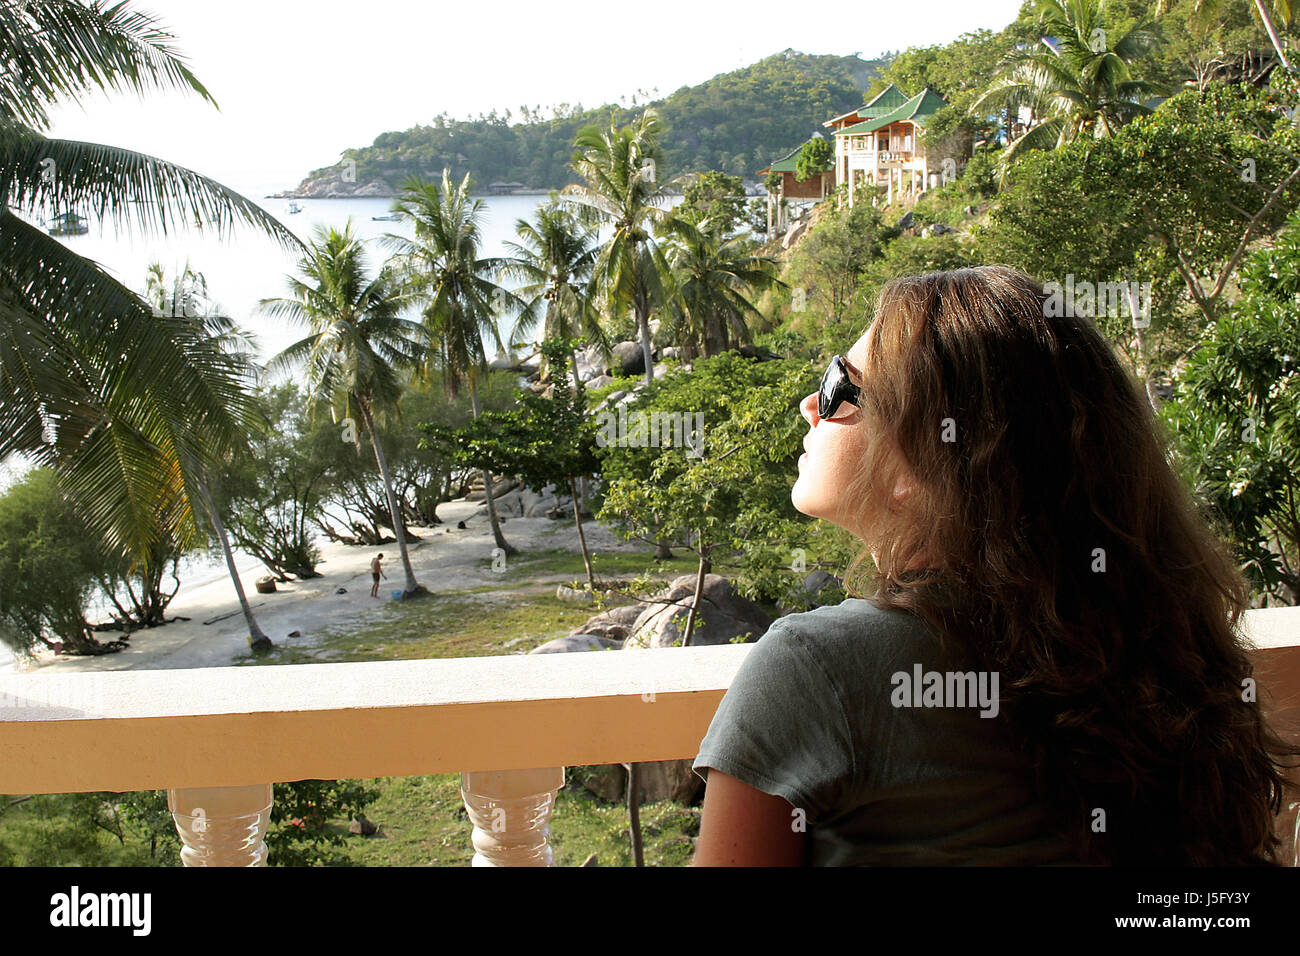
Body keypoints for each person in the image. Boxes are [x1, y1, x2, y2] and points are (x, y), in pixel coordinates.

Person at [690, 266, 1300, 866]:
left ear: (919, 464)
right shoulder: (1151, 644)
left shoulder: (815, 669)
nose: (809, 406)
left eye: (837, 387)